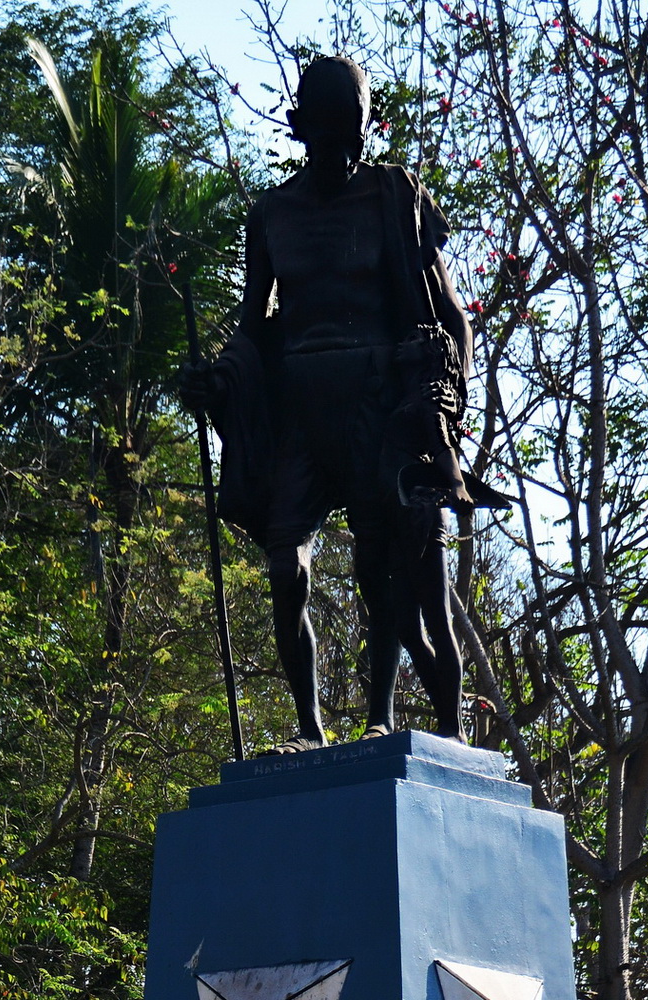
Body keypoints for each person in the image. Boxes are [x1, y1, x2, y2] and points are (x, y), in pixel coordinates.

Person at [186, 53, 508, 750]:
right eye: (327, 136)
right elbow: (252, 327)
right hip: (301, 410)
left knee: (384, 571)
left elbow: (452, 315)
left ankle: (380, 716)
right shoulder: (272, 213)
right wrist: (221, 379)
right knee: (284, 565)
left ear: (369, 126)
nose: (342, 151)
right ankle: (308, 727)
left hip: (375, 405)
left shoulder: (395, 196)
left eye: (353, 133)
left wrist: (446, 405)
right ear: (300, 129)